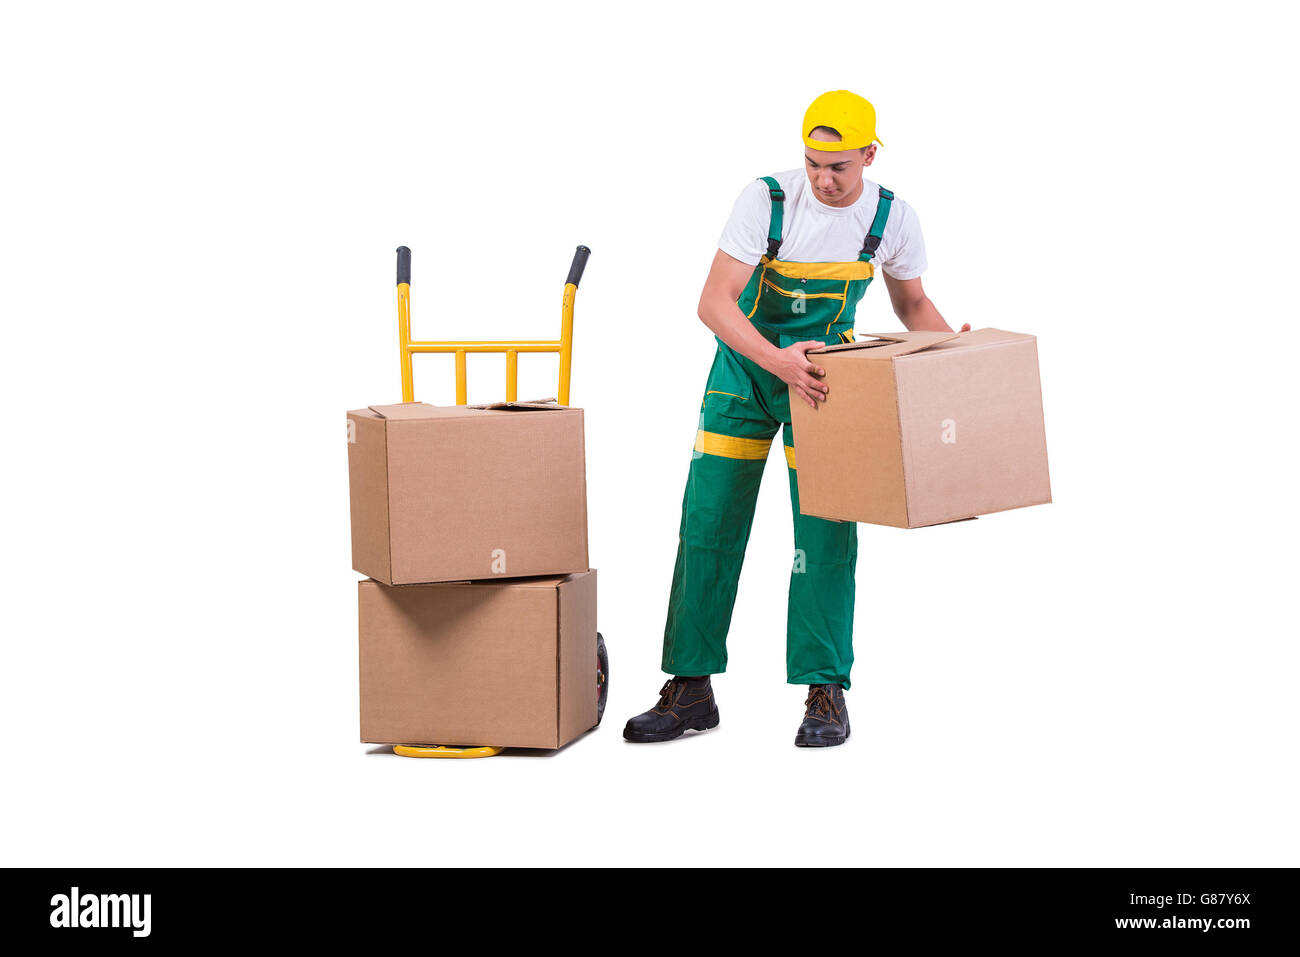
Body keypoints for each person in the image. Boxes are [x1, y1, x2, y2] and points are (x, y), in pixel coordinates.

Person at [624, 90, 968, 748]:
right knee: (708, 525)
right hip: (744, 376)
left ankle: (824, 689)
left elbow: (915, 303)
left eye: (838, 165)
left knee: (826, 536)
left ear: (869, 154)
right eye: (813, 162)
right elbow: (714, 302)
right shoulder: (767, 200)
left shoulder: (892, 216)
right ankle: (690, 687)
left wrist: (957, 358)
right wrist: (773, 360)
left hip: (827, 388)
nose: (822, 177)